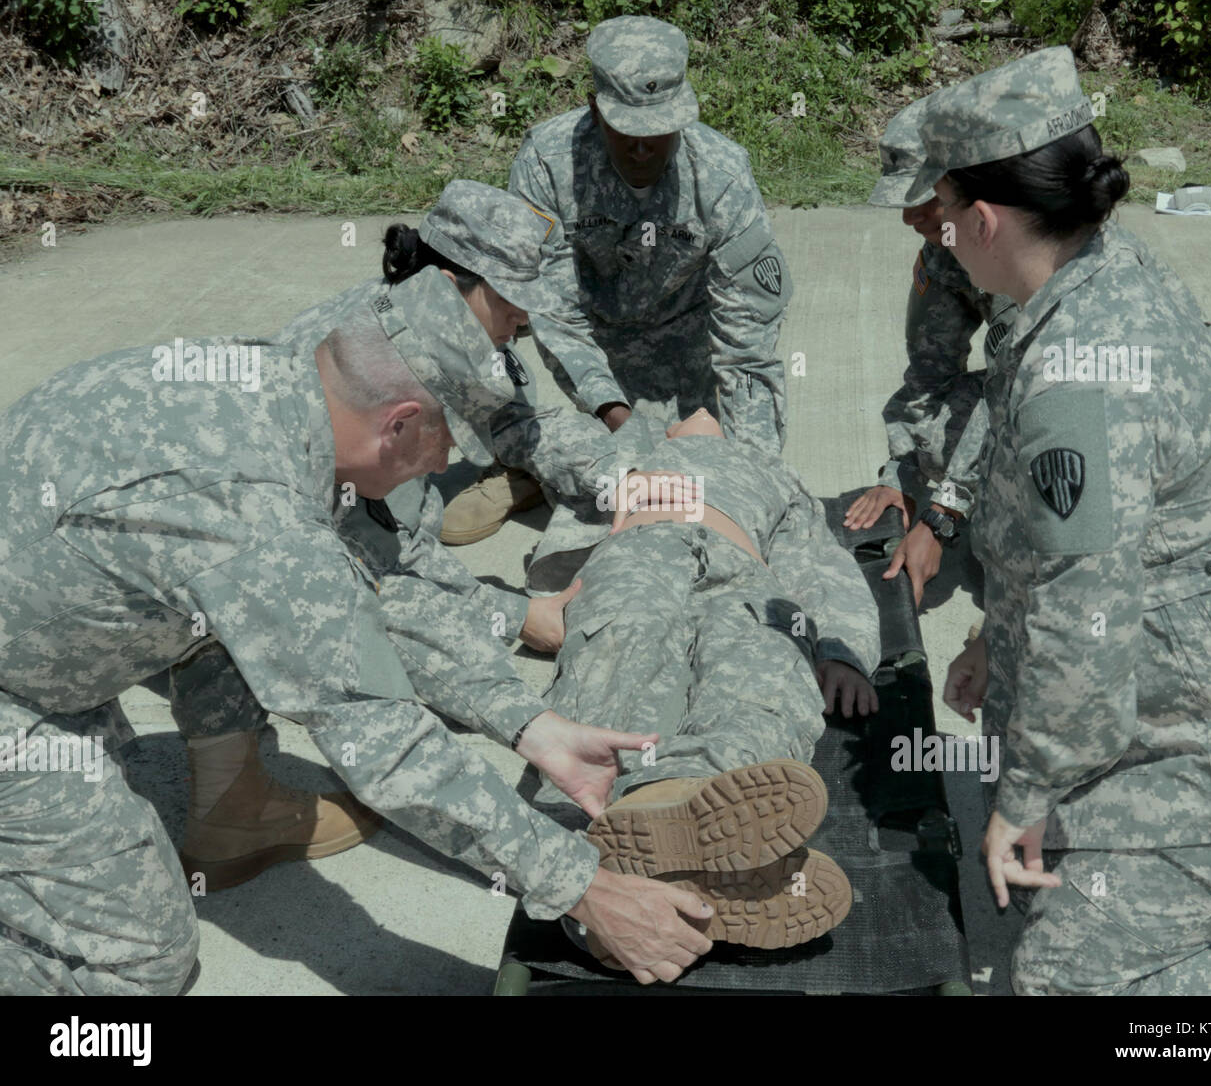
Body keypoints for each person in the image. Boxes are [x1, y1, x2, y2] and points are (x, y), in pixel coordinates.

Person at [0, 272, 724, 993]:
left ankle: (234, 816)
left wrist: (530, 725)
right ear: (400, 421)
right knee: (136, 966)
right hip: (20, 703)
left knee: (235, 616)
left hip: (48, 641)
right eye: (446, 443)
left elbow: (374, 597)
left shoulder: (282, 387)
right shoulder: (255, 519)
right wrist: (580, 886)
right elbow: (386, 740)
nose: (446, 465)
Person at [163, 181, 697, 892]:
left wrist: (620, 480)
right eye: (511, 304)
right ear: (453, 283)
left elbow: (518, 426)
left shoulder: (444, 331)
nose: (521, 323)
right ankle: (232, 805)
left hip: (320, 534)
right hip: (206, 554)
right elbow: (379, 593)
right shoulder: (354, 382)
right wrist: (517, 653)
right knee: (258, 624)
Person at [918, 46, 1211, 994]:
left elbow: (1087, 627)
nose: (936, 235)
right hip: (1198, 680)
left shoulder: (1078, 371)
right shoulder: (1095, 274)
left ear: (984, 217)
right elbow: (1075, 543)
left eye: (941, 212)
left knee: (1062, 982)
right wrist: (994, 640)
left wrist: (1027, 792)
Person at [536, 406, 881, 954]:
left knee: (768, 666)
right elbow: (538, 431)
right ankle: (656, 820)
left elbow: (815, 559)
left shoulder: (773, 470)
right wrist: (618, 467)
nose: (700, 409)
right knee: (623, 661)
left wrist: (841, 649)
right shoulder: (630, 444)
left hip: (744, 573)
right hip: (640, 554)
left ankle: (666, 842)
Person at [455, 14, 791, 555]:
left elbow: (747, 346)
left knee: (691, 481)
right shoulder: (548, 159)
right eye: (627, 131)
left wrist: (755, 474)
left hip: (688, 350)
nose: (643, 150)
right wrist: (609, 408)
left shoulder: (723, 175)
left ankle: (569, 465)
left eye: (659, 131)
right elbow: (550, 307)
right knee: (484, 309)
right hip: (590, 342)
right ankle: (522, 457)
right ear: (595, 108)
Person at [844, 96, 1017, 608]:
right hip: (1031, 389)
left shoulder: (1032, 255)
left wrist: (942, 517)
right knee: (937, 434)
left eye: (925, 199)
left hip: (1105, 415)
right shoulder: (947, 250)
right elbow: (927, 375)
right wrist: (903, 474)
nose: (907, 218)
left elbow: (1016, 394)